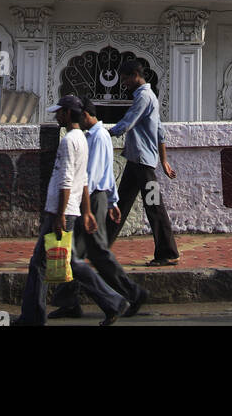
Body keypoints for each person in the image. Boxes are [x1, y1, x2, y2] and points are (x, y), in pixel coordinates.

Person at [11, 95, 129, 327]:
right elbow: (82, 179)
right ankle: (113, 302)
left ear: (67, 114)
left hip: (61, 210)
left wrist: (60, 214)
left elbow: (67, 181)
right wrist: (86, 212)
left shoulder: (69, 141)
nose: (56, 116)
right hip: (72, 209)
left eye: (59, 112)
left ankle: (32, 317)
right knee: (70, 262)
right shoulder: (82, 139)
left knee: (40, 263)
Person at [49, 98, 149, 319]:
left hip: (92, 199)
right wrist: (112, 201)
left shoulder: (98, 136)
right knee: (76, 252)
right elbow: (108, 171)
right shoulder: (93, 136)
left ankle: (131, 293)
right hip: (95, 198)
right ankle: (69, 301)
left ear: (85, 115)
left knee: (92, 253)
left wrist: (85, 207)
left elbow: (91, 175)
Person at [106, 60, 179, 267]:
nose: (124, 83)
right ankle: (101, 247)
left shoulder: (143, 97)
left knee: (154, 205)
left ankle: (168, 252)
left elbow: (127, 122)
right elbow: (159, 132)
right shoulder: (149, 96)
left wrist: (102, 132)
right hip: (138, 160)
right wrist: (163, 160)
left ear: (135, 75)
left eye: (125, 78)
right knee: (120, 203)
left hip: (142, 163)